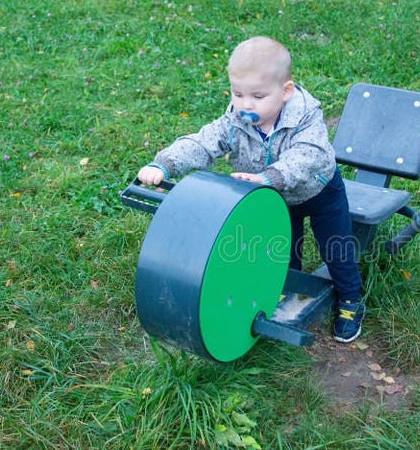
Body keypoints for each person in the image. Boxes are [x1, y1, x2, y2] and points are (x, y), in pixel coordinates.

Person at [136, 36, 365, 343]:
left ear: (285, 92)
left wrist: (271, 176)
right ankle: (282, 291)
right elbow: (203, 142)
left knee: (335, 248)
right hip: (275, 199)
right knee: (280, 251)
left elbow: (308, 156)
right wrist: (164, 164)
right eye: (238, 93)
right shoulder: (235, 120)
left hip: (319, 192)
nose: (245, 104)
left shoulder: (306, 116)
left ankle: (350, 300)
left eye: (257, 96)